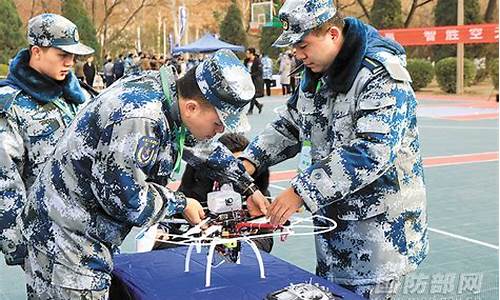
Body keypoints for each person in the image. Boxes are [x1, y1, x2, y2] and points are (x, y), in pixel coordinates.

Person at [21, 49, 269, 299]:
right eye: (218, 124)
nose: (219, 132)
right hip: (67, 240)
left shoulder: (169, 97)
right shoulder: (140, 117)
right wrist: (181, 203)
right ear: (193, 107)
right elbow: (125, 199)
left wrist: (248, 187)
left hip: (76, 231)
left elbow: (204, 147)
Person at [241, 0, 428, 299]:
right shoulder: (316, 72)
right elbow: (292, 123)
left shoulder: (380, 74)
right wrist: (249, 160)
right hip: (333, 232)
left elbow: (372, 151)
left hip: (378, 238)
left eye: (303, 45)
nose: (298, 55)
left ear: (332, 34)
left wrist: (301, 191)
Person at [0, 13, 95, 267]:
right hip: (45, 238)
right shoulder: (10, 105)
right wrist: (18, 246)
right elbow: (4, 181)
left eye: (73, 57)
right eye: (62, 55)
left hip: (89, 232)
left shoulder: (77, 97)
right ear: (36, 51)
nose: (69, 63)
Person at [153, 132, 273, 252]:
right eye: (228, 166)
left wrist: (243, 248)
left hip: (242, 254)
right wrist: (162, 230)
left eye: (241, 168)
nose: (234, 173)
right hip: (198, 249)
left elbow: (266, 238)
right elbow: (172, 216)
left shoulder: (258, 193)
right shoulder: (197, 183)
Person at [244, 48, 264, 115]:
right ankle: (258, 105)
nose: (246, 55)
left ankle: (250, 110)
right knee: (250, 95)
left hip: (256, 80)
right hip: (248, 80)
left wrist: (251, 75)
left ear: (251, 53)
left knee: (253, 95)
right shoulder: (246, 61)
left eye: (247, 53)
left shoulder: (257, 61)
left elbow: (260, 71)